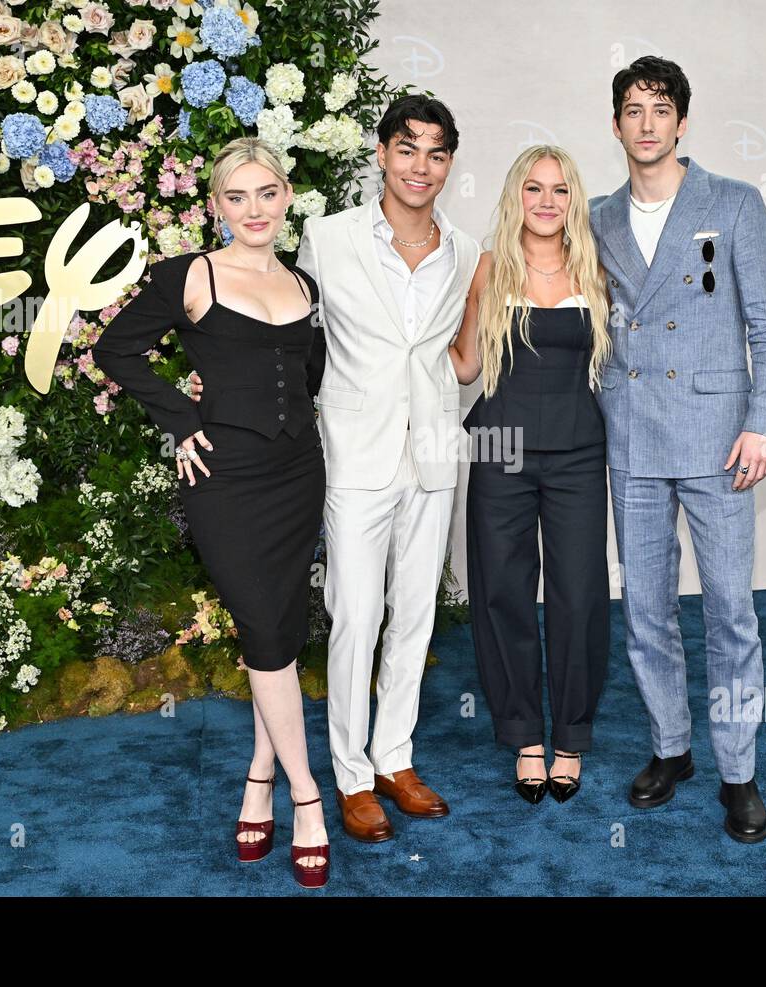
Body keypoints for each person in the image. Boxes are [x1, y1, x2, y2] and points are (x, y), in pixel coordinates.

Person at [187, 96, 480, 842]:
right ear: (381, 153)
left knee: (416, 613)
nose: (421, 166)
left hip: (434, 453)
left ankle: (395, 757)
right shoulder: (326, 236)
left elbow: (457, 353)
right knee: (355, 615)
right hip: (353, 454)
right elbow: (287, 338)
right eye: (407, 149)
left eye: (437, 152)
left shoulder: (468, 250)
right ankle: (349, 774)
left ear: (449, 163)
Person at [90, 136, 331, 886]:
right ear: (216, 205)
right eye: (237, 196)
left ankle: (258, 774)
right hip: (225, 479)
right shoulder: (188, 275)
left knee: (281, 637)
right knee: (263, 630)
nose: (253, 209)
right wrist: (180, 420)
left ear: (285, 196)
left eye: (266, 193)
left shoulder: (305, 283)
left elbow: (310, 377)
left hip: (298, 475)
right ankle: (307, 796)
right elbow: (113, 351)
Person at [589, 56, 766, 842]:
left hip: (719, 437)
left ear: (682, 121)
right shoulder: (598, 216)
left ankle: (738, 769)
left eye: (660, 108)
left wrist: (762, 420)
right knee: (645, 609)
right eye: (632, 109)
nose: (646, 122)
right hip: (632, 434)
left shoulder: (733, 203)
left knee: (731, 610)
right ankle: (671, 747)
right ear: (615, 126)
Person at [448, 145, 612, 804]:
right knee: (502, 592)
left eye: (560, 190)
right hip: (500, 445)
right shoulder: (488, 267)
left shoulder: (597, 267)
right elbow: (462, 365)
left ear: (574, 199)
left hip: (577, 447)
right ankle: (524, 735)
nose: (547, 202)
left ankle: (571, 733)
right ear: (516, 194)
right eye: (534, 188)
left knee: (578, 591)